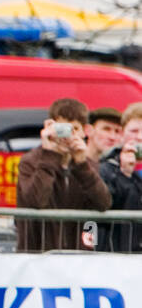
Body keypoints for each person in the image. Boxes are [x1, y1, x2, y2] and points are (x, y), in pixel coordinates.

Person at [15, 98, 111, 253]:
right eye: (62, 129)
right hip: (37, 256)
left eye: (74, 129)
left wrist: (81, 164)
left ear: (84, 131)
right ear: (49, 127)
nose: (67, 136)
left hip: (77, 257)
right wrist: (49, 155)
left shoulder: (87, 164)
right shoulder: (31, 161)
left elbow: (103, 203)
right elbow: (36, 201)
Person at [95, 105, 142, 252]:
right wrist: (125, 174)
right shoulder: (105, 168)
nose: (140, 137)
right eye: (134, 131)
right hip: (115, 255)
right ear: (121, 134)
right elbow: (105, 203)